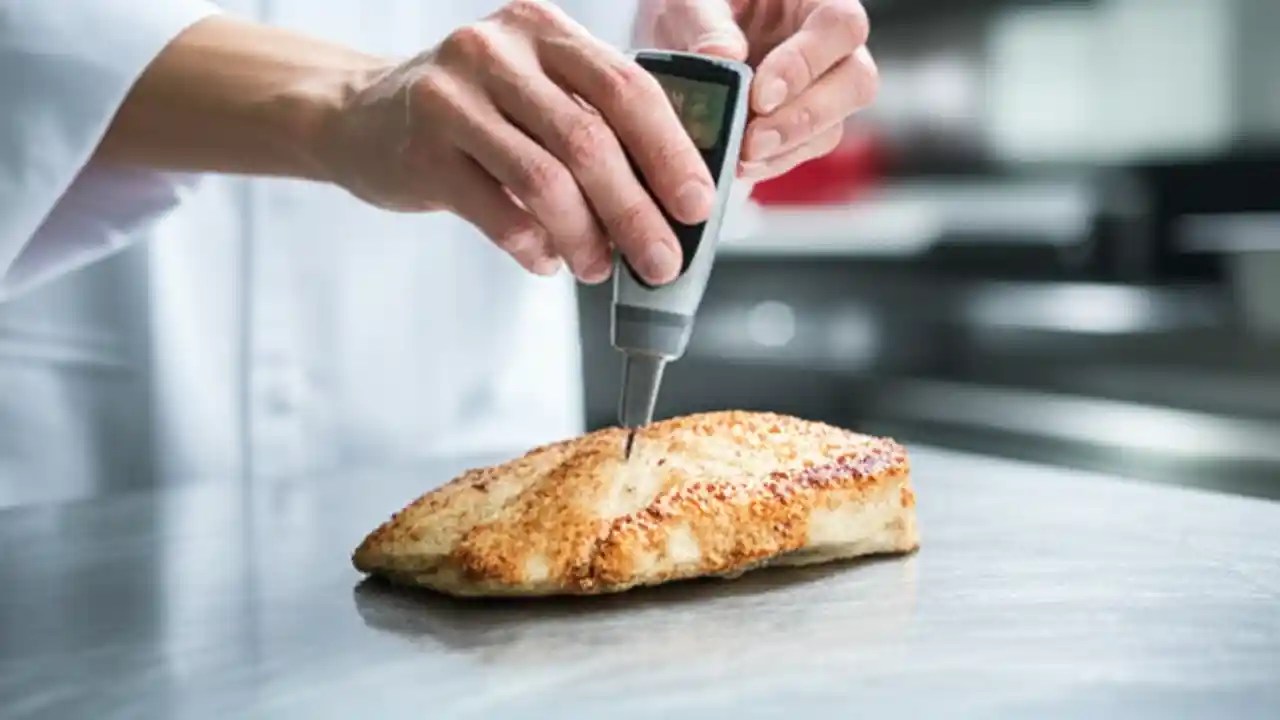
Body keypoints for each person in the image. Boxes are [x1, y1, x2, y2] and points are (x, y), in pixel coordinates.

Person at [0, 0, 877, 503]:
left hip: (482, 464)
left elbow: (646, 31)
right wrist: (344, 102)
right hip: (76, 488)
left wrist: (723, 31)